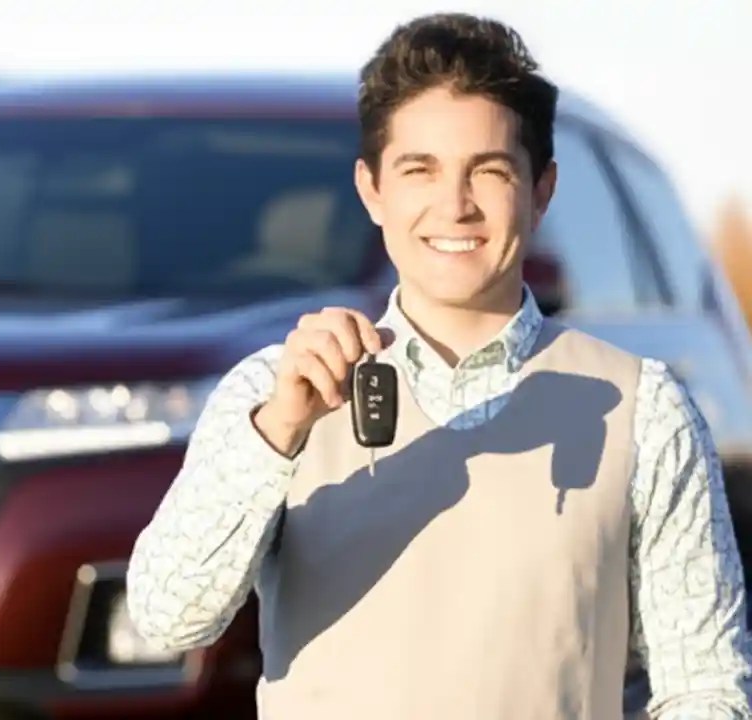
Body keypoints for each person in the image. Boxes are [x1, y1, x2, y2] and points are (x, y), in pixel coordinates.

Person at [125, 12, 752, 719]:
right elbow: (167, 620)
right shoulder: (273, 397)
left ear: (541, 190)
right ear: (371, 190)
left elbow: (704, 684)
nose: (453, 206)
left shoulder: (647, 410)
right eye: (419, 170)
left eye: (487, 171)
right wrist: (276, 432)